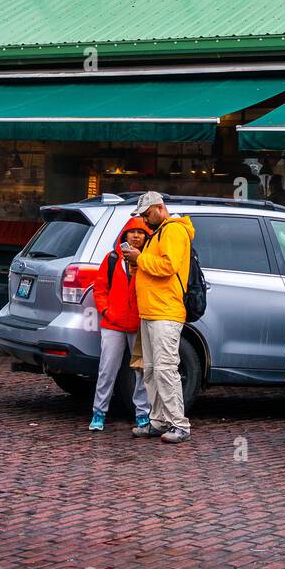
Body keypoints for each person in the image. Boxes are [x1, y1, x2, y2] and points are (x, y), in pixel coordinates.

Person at [122, 190, 195, 444]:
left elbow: (168, 266)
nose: (144, 219)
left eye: (146, 214)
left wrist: (140, 258)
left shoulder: (173, 231)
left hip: (165, 311)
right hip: (153, 311)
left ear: (159, 208)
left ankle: (179, 424)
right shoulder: (160, 233)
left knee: (164, 369)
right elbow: (151, 270)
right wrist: (136, 262)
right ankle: (158, 420)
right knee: (151, 370)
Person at [88, 215, 152, 436]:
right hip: (113, 323)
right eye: (132, 232)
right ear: (125, 235)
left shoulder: (148, 260)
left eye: (141, 232)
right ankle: (99, 412)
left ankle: (142, 414)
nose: (136, 236)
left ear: (146, 237)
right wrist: (106, 311)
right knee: (107, 369)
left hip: (138, 323)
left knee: (141, 371)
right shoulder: (112, 258)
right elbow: (100, 289)